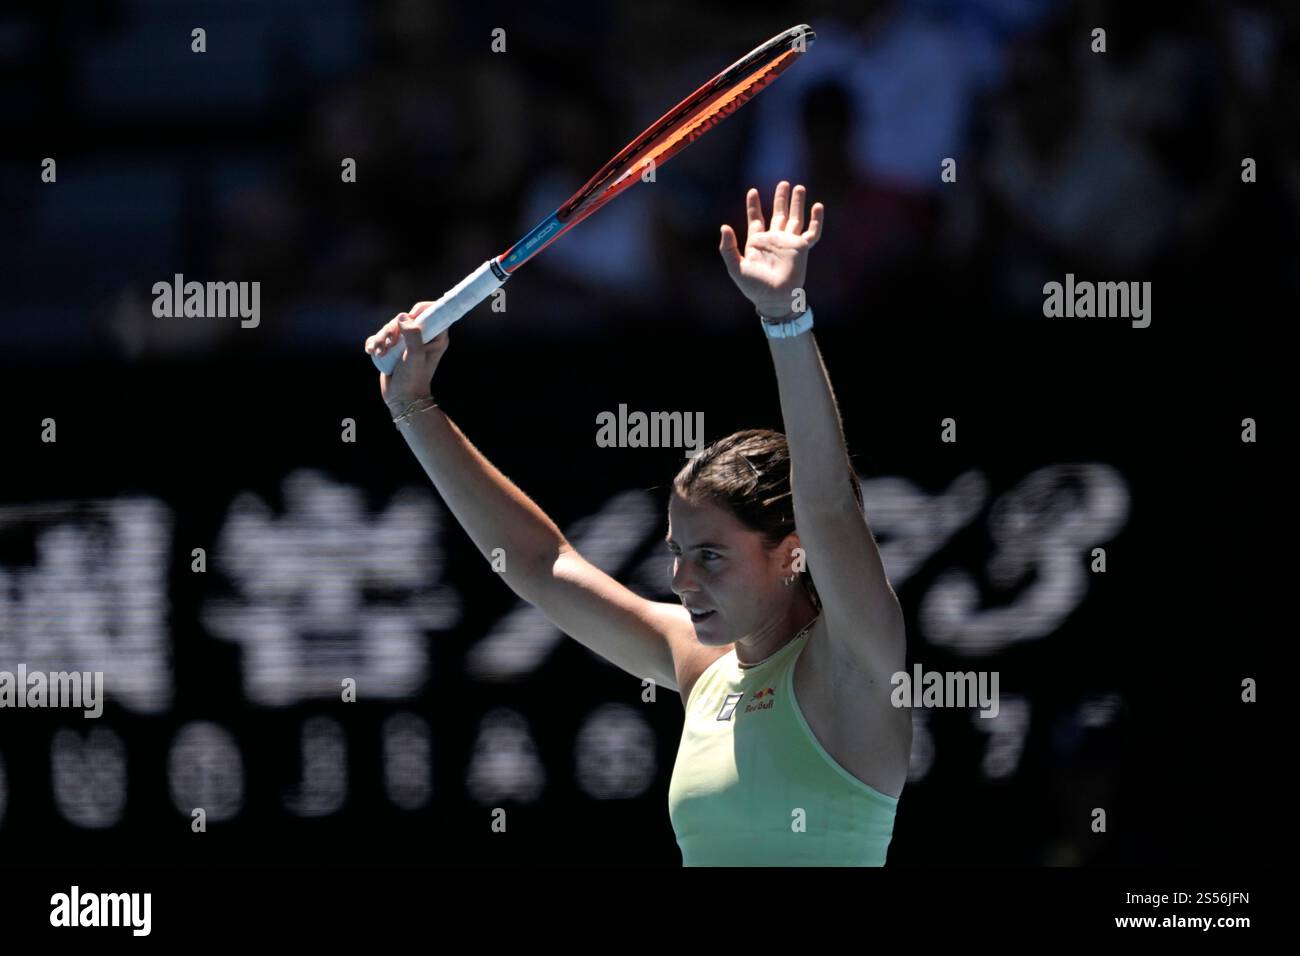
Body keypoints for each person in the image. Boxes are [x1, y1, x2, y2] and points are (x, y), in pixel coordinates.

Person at [365, 182, 910, 865]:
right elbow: (542, 565)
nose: (681, 579)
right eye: (677, 551)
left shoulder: (856, 661)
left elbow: (827, 502)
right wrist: (413, 405)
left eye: (710, 556)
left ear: (792, 555)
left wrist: (784, 319)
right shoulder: (700, 665)